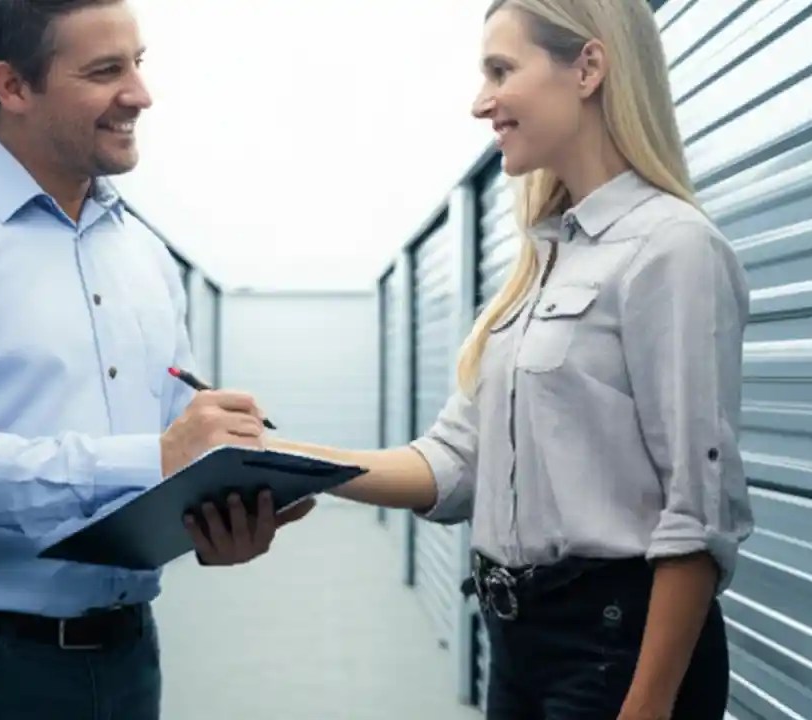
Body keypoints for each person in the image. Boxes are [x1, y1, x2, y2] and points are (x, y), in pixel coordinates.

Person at [272, 1, 753, 718]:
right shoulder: (544, 260)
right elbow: (454, 464)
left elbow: (698, 513)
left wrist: (647, 706)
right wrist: (279, 458)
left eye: (501, 70)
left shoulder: (671, 248)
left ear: (588, 67)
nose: (480, 102)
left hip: (616, 654)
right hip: (521, 647)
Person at [0, 1, 309, 717]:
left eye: (138, 64)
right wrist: (155, 458)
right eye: (104, 71)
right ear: (13, 86)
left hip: (125, 663)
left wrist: (226, 503)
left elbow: (172, 441)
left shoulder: (143, 254)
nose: (140, 95)